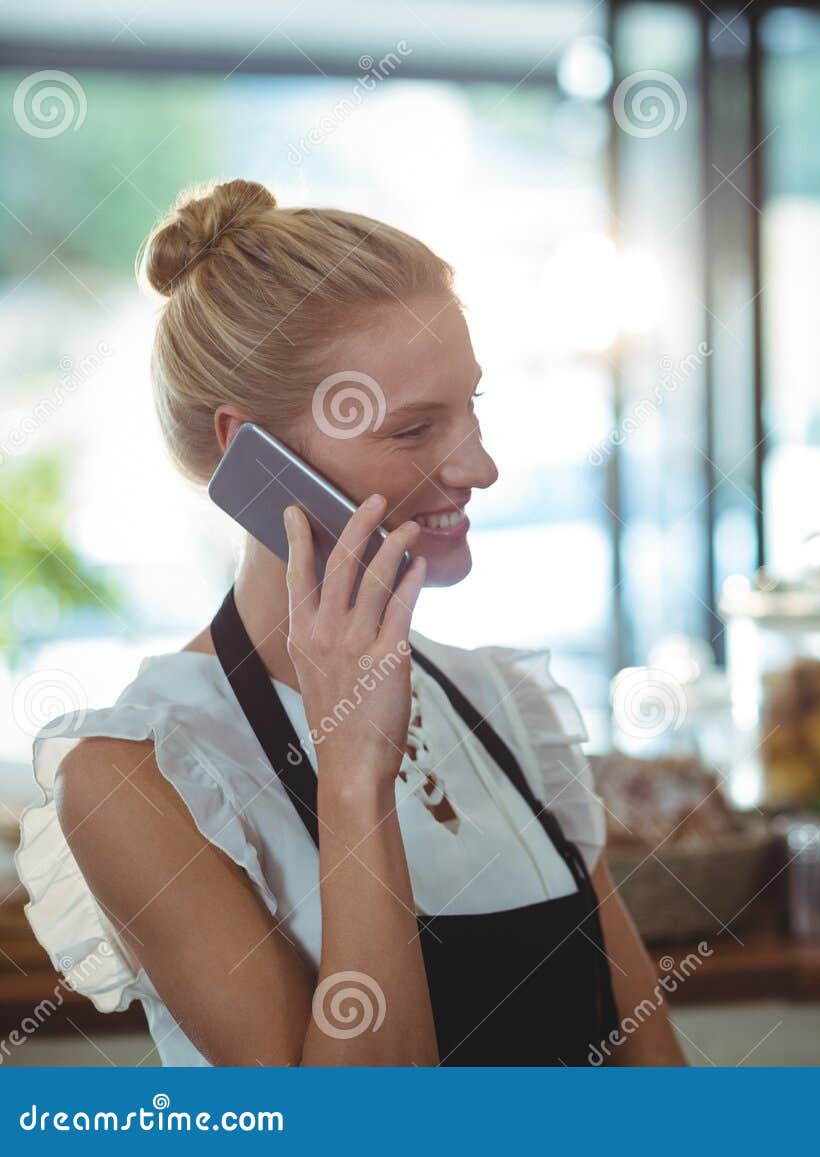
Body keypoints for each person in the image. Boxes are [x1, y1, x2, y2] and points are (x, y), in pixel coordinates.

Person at [14, 178, 686, 1067]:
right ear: (248, 451)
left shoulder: (507, 703)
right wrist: (352, 770)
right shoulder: (136, 776)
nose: (479, 467)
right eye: (414, 430)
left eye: (471, 408)